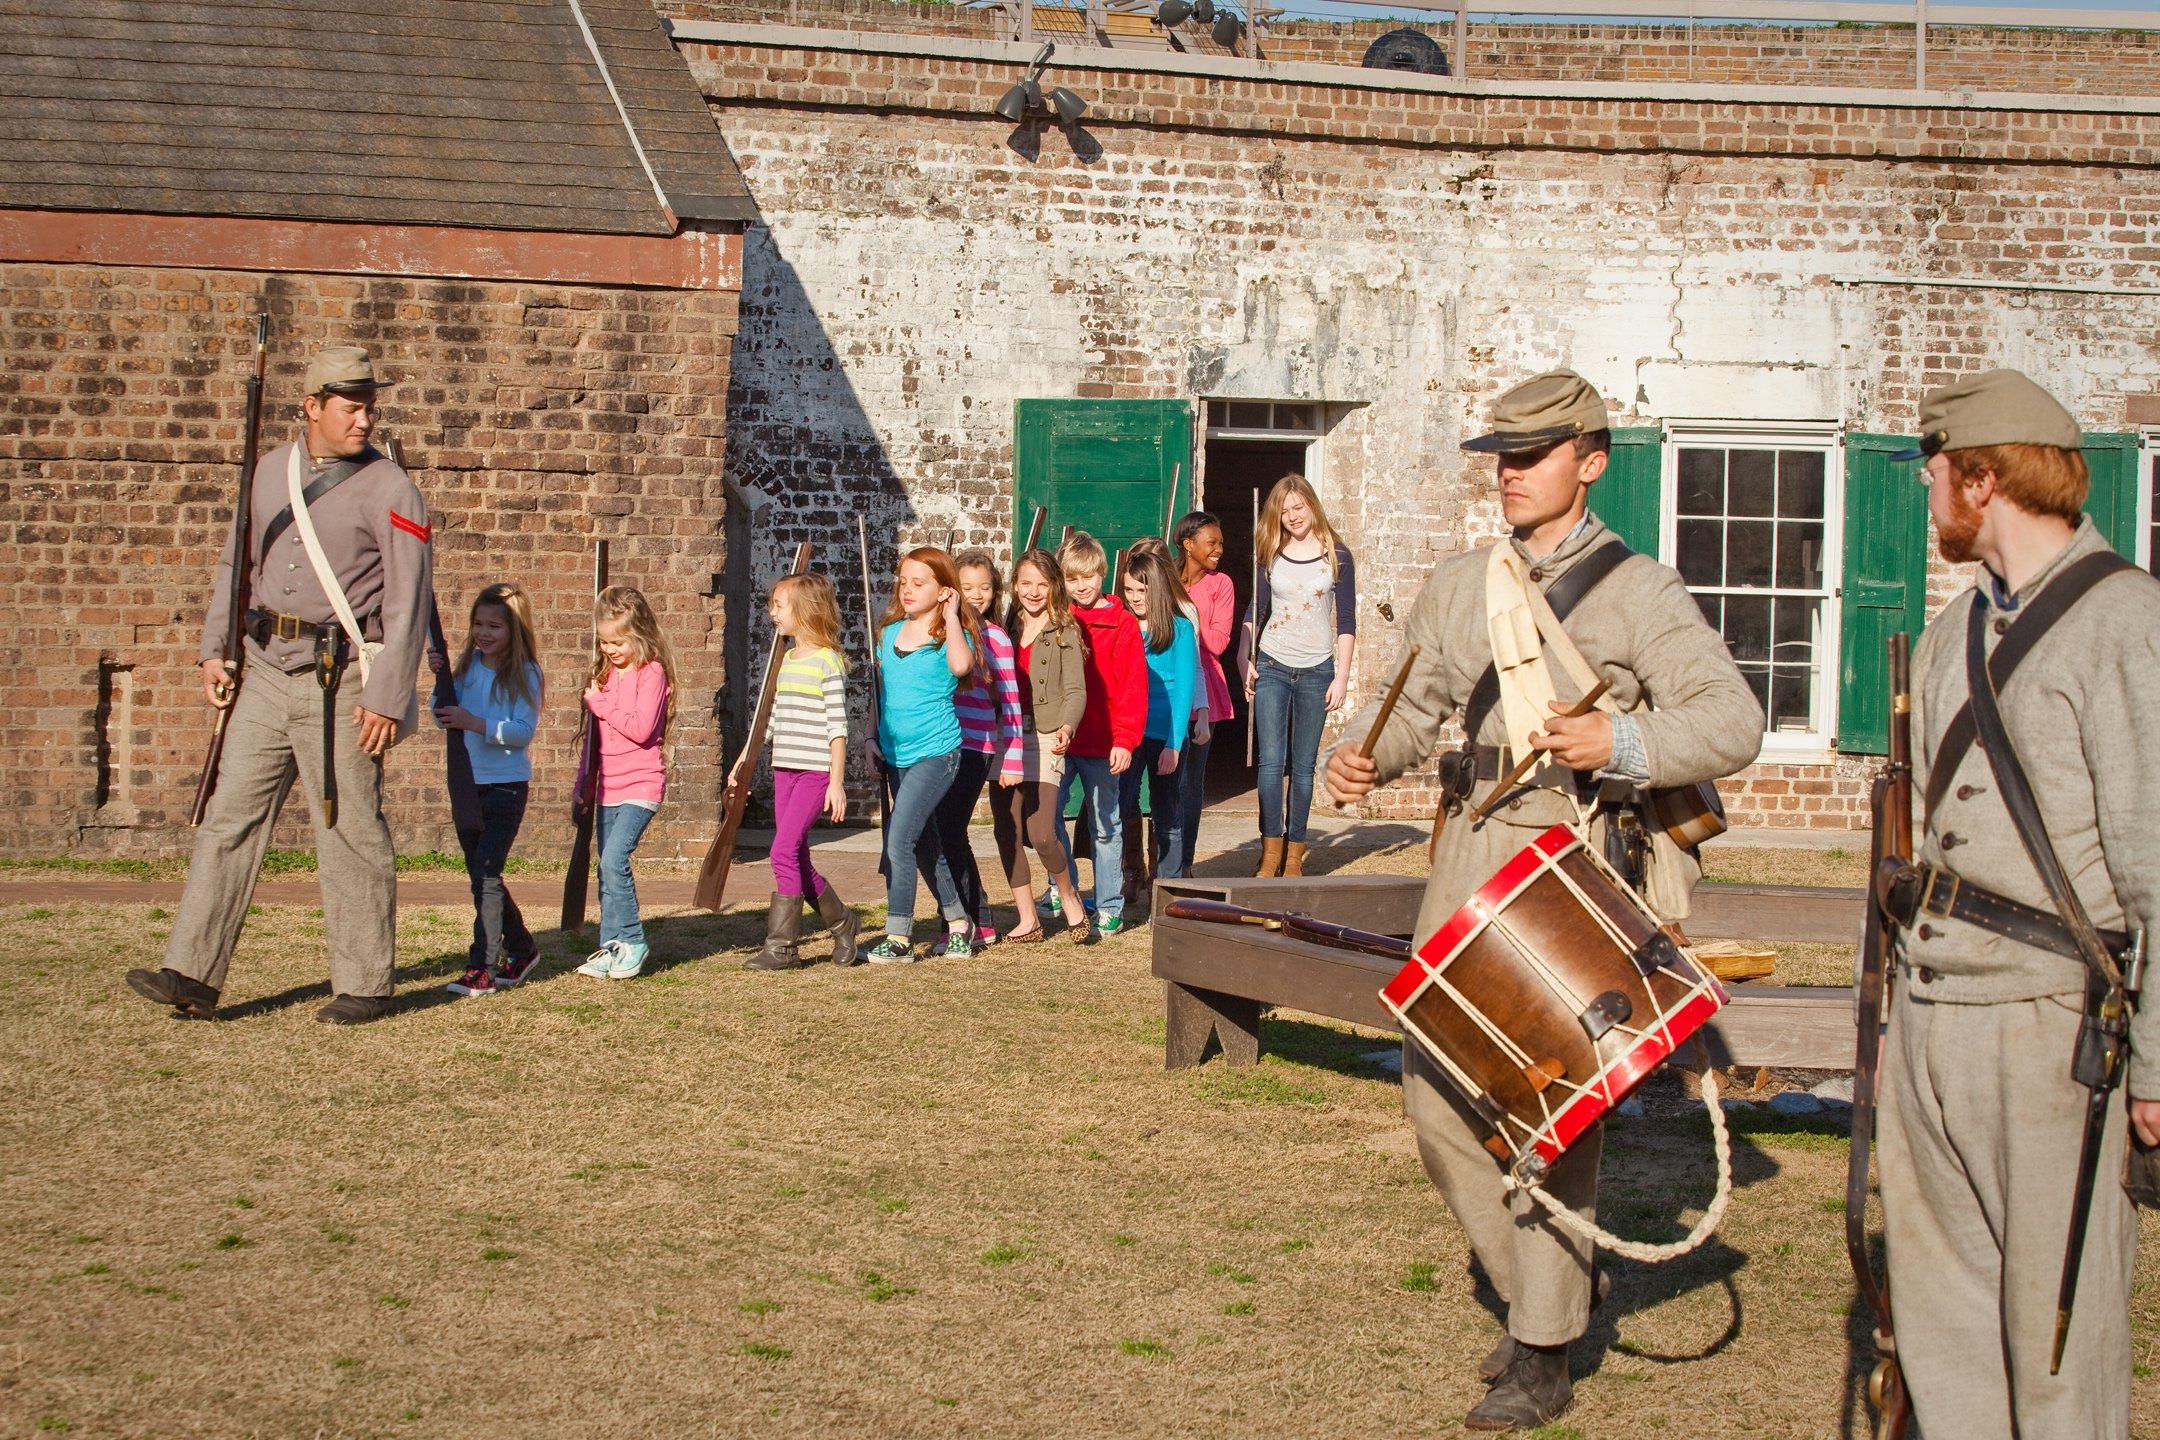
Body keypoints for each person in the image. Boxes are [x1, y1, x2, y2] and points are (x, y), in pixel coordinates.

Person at [1323, 370, 1762, 1431]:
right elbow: (1419, 703)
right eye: (1500, 457)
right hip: (1469, 852)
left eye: (1532, 454)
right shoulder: (1461, 579)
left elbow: (1732, 720)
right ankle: (1547, 1286)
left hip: (1568, 861)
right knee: (1433, 1097)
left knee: (1549, 1110)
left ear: (1592, 458)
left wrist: (1624, 741)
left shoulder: (1638, 590)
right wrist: (1366, 759)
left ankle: (1545, 1343)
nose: (1509, 473)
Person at [1874, 369, 2160, 1438]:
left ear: (1983, 479)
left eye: (1937, 472)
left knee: (2056, 1338)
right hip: (1935, 1012)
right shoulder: (1954, 635)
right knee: (1945, 1327)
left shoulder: (2131, 623)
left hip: (2052, 1027)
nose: (1929, 493)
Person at [126, 345, 430, 1026]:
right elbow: (237, 563)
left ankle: (365, 982)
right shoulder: (270, 472)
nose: (364, 421)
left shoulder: (392, 488)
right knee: (228, 817)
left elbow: (410, 601)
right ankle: (192, 972)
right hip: (265, 669)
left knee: (347, 828)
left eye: (369, 408)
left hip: (342, 679)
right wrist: (214, 649)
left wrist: (387, 694)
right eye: (351, 408)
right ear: (312, 406)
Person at [735, 572, 858, 971]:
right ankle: (842, 921)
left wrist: (836, 784)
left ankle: (782, 947)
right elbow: (772, 718)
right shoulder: (788, 659)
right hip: (785, 769)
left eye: (779, 605)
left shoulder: (828, 662)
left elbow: (837, 728)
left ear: (804, 611)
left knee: (781, 851)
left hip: (814, 773)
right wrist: (744, 759)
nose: (772, 613)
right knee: (797, 858)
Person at [1243, 474, 1357, 878]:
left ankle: (1294, 855)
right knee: (1271, 764)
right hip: (1273, 663)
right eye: (1285, 510)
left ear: (1311, 506)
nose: (1292, 516)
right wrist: (1245, 656)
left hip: (1317, 670)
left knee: (1304, 768)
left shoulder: (1337, 554)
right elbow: (1254, 611)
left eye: (1298, 507)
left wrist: (1341, 677)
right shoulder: (1269, 552)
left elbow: (1346, 621)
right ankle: (1270, 851)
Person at [433, 583, 544, 996]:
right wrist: (440, 679)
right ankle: (523, 948)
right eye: (478, 624)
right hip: (466, 784)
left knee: (486, 874)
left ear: (514, 630)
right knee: (483, 877)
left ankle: (482, 965)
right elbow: (440, 715)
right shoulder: (464, 667)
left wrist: (473, 722)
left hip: (507, 788)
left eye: (494, 625)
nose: (484, 632)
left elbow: (521, 732)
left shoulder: (526, 673)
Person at [866, 547, 975, 964]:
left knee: (898, 839)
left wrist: (951, 617)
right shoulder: (890, 633)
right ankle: (959, 923)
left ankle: (899, 937)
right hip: (896, 754)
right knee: (926, 845)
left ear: (944, 590)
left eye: (919, 583)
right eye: (903, 581)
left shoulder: (947, 635)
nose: (907, 589)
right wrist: (868, 737)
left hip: (937, 754)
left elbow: (962, 666)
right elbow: (881, 693)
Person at [573, 585, 674, 981]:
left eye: (618, 641)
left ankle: (632, 940)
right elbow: (594, 742)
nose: (610, 649)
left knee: (615, 860)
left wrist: (599, 703)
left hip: (641, 785)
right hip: (608, 787)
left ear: (639, 635)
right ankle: (610, 944)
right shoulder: (605, 674)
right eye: (604, 641)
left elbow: (640, 727)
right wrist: (584, 783)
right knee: (605, 869)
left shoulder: (652, 673)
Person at [992, 548, 1092, 944]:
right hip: (1007, 734)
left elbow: (1076, 690)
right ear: (1015, 586)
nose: (1033, 592)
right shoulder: (1005, 627)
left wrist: (1068, 726)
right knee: (1006, 828)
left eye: (1042, 584)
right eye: (1026, 583)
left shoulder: (1065, 629)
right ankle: (1027, 919)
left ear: (1054, 587)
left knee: (1043, 831)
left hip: (1047, 734)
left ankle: (1069, 896)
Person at [1055, 532, 1146, 937]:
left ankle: (1110, 905)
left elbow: (1132, 686)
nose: (1081, 586)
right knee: (1046, 816)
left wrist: (1125, 739)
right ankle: (1066, 888)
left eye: (1088, 576)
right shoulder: (1059, 619)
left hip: (1104, 742)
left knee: (1106, 825)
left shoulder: (1122, 623)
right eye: (1073, 579)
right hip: (1061, 738)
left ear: (1101, 574)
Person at [942, 551, 1026, 949]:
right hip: (939, 743)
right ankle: (963, 916)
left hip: (977, 746)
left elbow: (1010, 699)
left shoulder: (995, 636)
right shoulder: (942, 632)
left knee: (951, 829)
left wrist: (1011, 757)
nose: (977, 596)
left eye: (985, 588)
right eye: (968, 587)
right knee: (942, 832)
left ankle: (977, 918)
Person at [1118, 547, 1201, 881]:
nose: (1136, 598)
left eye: (1143, 590)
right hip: (1128, 731)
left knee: (1167, 809)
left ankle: (1166, 885)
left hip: (1165, 731)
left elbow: (1184, 690)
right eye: (1129, 590)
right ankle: (1129, 874)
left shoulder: (1179, 629)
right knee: (1122, 804)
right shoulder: (1121, 626)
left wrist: (1175, 743)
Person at [1175, 511, 1236, 876]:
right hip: (1164, 690)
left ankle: (1183, 864)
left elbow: (1218, 641)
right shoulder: (1164, 578)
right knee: (1161, 782)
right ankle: (1147, 864)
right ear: (1188, 544)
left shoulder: (1220, 585)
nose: (1218, 550)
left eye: (1221, 544)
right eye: (1211, 543)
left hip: (1205, 693)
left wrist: (1185, 610)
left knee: (1190, 785)